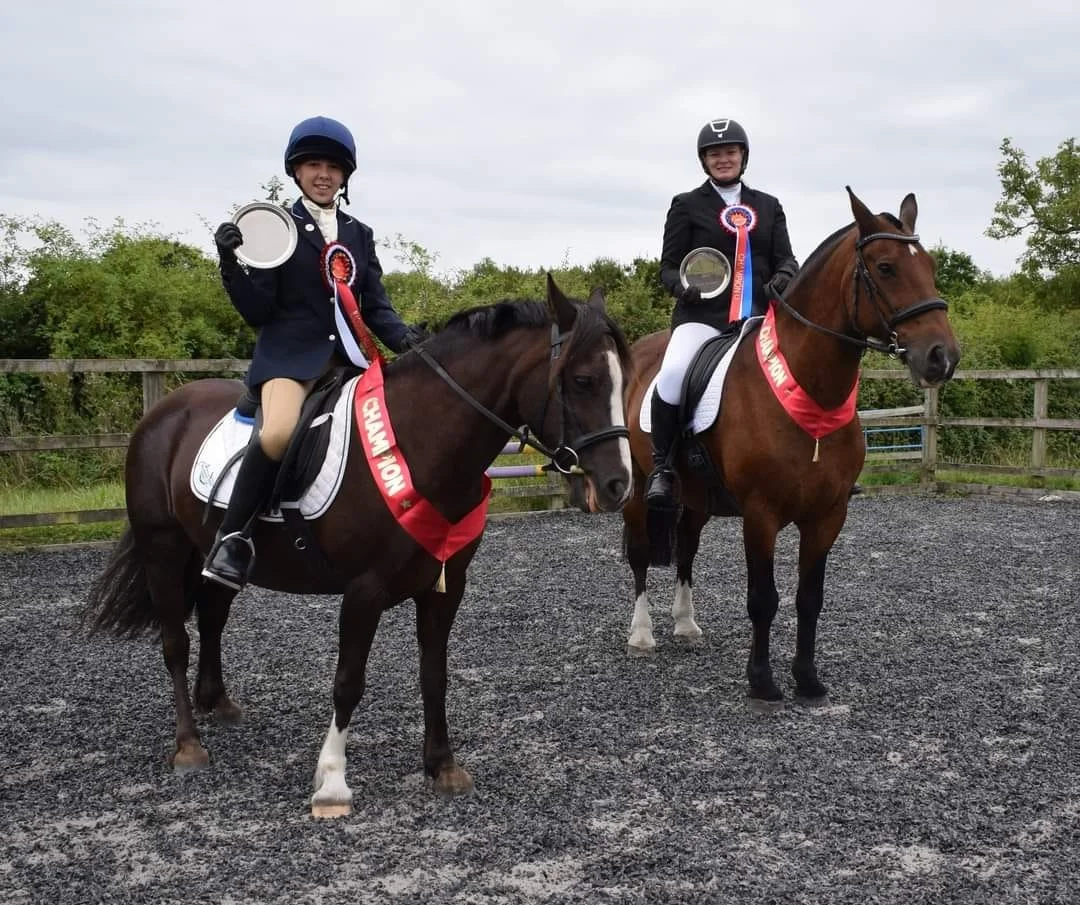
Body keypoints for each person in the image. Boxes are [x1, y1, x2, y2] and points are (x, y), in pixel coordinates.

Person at [203, 115, 427, 590]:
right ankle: (233, 538)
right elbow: (259, 310)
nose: (323, 174)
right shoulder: (275, 229)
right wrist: (230, 264)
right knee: (279, 433)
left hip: (350, 362)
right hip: (290, 361)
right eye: (312, 165)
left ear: (345, 175)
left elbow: (375, 305)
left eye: (332, 166)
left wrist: (405, 340)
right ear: (297, 172)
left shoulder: (359, 234)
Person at [646, 117, 800, 510]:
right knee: (675, 373)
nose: (723, 159)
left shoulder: (767, 206)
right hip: (703, 318)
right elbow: (667, 266)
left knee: (805, 372)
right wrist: (682, 287)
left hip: (759, 319)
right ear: (705, 161)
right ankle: (662, 467)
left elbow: (786, 259)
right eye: (715, 154)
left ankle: (817, 463)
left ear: (743, 156)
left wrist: (782, 279)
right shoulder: (686, 205)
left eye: (730, 152)